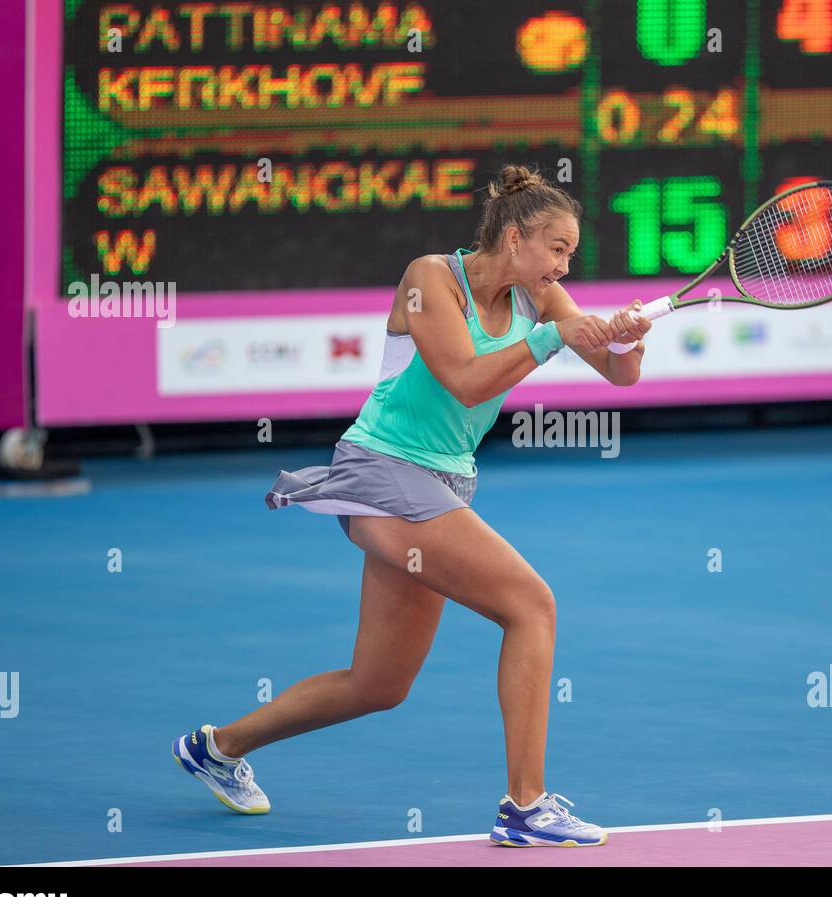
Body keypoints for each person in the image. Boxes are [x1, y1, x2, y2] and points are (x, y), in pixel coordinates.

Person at [172, 164, 651, 847]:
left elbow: (620, 372)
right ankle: (526, 805)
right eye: (557, 249)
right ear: (515, 239)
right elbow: (461, 379)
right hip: (381, 472)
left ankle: (215, 748)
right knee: (531, 605)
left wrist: (627, 335)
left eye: (570, 255)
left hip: (444, 484)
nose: (564, 267)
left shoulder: (542, 300)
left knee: (378, 683)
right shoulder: (430, 277)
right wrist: (552, 338)